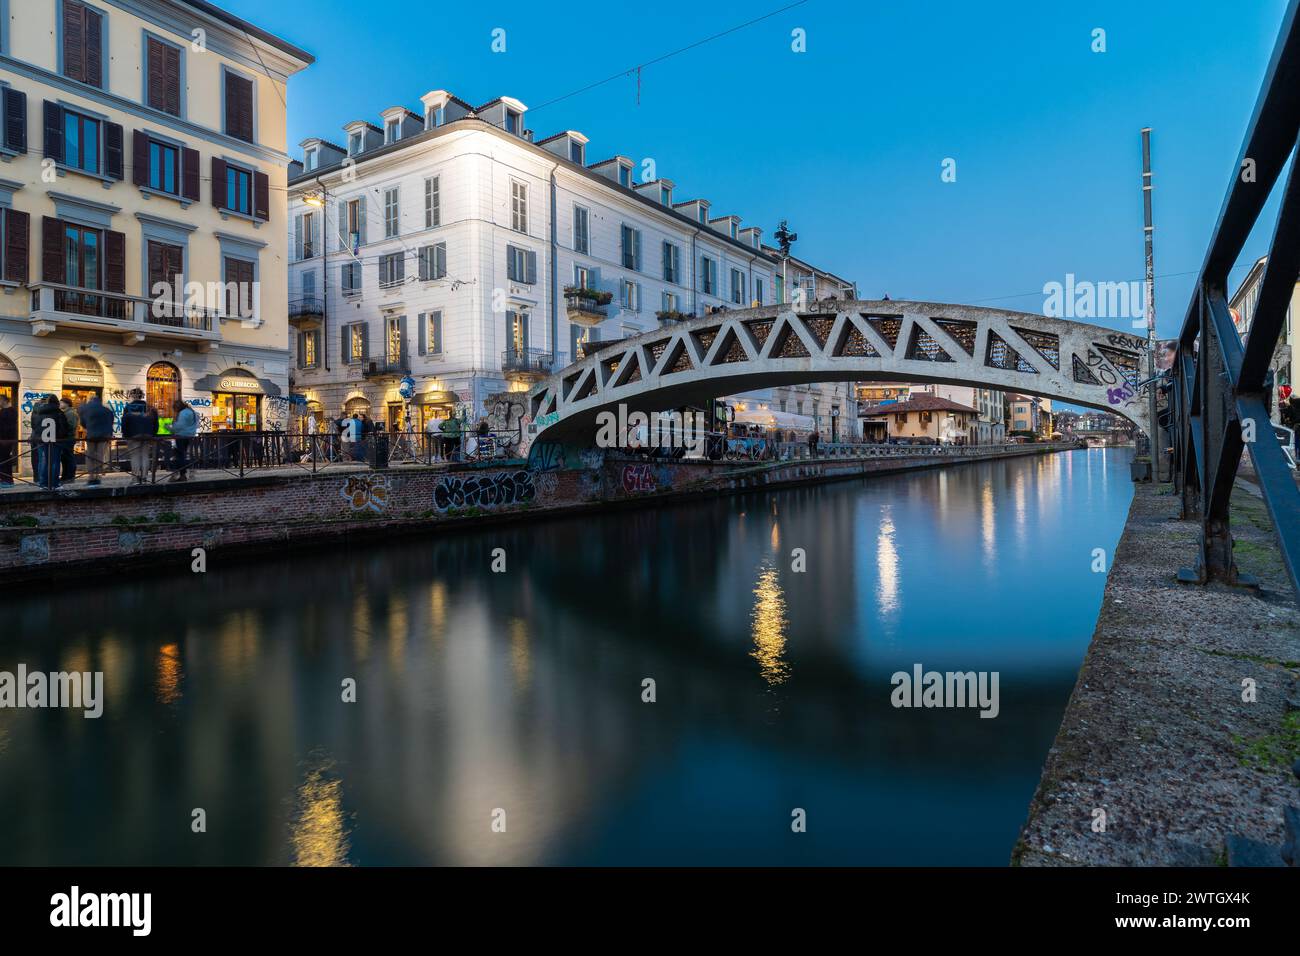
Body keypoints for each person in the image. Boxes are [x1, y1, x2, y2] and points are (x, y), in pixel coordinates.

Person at [120, 388, 159, 483]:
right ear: (142, 396)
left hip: (133, 435)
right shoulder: (150, 408)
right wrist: (153, 434)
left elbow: (124, 423)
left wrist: (125, 435)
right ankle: (144, 477)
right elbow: (156, 423)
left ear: (132, 396)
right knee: (145, 455)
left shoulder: (128, 407)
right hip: (147, 435)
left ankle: (135, 478)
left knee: (135, 456)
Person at [30, 395, 68, 490]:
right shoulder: (59, 413)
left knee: (43, 461)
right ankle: (54, 483)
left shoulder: (39, 413)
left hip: (42, 440)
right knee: (54, 462)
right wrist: (60, 436)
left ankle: (43, 483)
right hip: (55, 441)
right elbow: (64, 429)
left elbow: (34, 426)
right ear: (56, 403)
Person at [78, 394, 114, 486]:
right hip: (103, 436)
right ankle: (98, 477)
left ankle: (91, 477)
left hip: (91, 435)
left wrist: (88, 427)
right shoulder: (107, 410)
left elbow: (83, 422)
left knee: (90, 456)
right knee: (99, 455)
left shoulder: (86, 409)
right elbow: (111, 421)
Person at [169, 398, 198, 481]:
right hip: (189, 436)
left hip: (181, 436)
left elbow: (179, 426)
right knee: (182, 454)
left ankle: (182, 474)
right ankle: (182, 473)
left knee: (179, 455)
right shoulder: (191, 411)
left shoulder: (183, 413)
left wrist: (169, 427)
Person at [58, 398, 79, 482]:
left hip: (68, 438)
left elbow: (71, 426)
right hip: (65, 438)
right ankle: (65, 476)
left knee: (69, 457)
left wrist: (63, 431)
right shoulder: (65, 412)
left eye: (61, 402)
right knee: (64, 458)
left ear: (67, 404)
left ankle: (70, 477)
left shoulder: (70, 413)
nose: (60, 404)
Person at [0, 395, 16, 486]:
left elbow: (8, 428)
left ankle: (7, 480)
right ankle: (4, 479)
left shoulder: (10, 411)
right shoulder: (3, 411)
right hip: (4, 440)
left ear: (4, 401)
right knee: (2, 460)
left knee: (4, 459)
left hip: (5, 441)